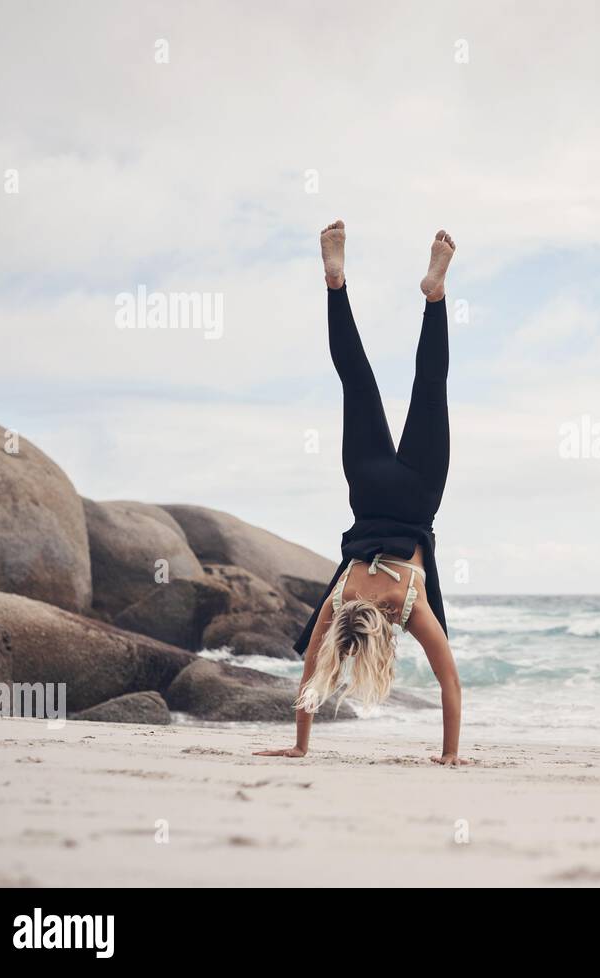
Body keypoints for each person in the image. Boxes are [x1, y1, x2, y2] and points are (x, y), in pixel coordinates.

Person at [255, 222, 466, 765]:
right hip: (369, 490)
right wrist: (299, 741)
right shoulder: (342, 594)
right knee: (357, 380)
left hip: (418, 492)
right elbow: (308, 680)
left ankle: (435, 296)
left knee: (429, 384)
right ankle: (336, 282)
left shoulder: (406, 605)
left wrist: (450, 756)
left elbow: (450, 684)